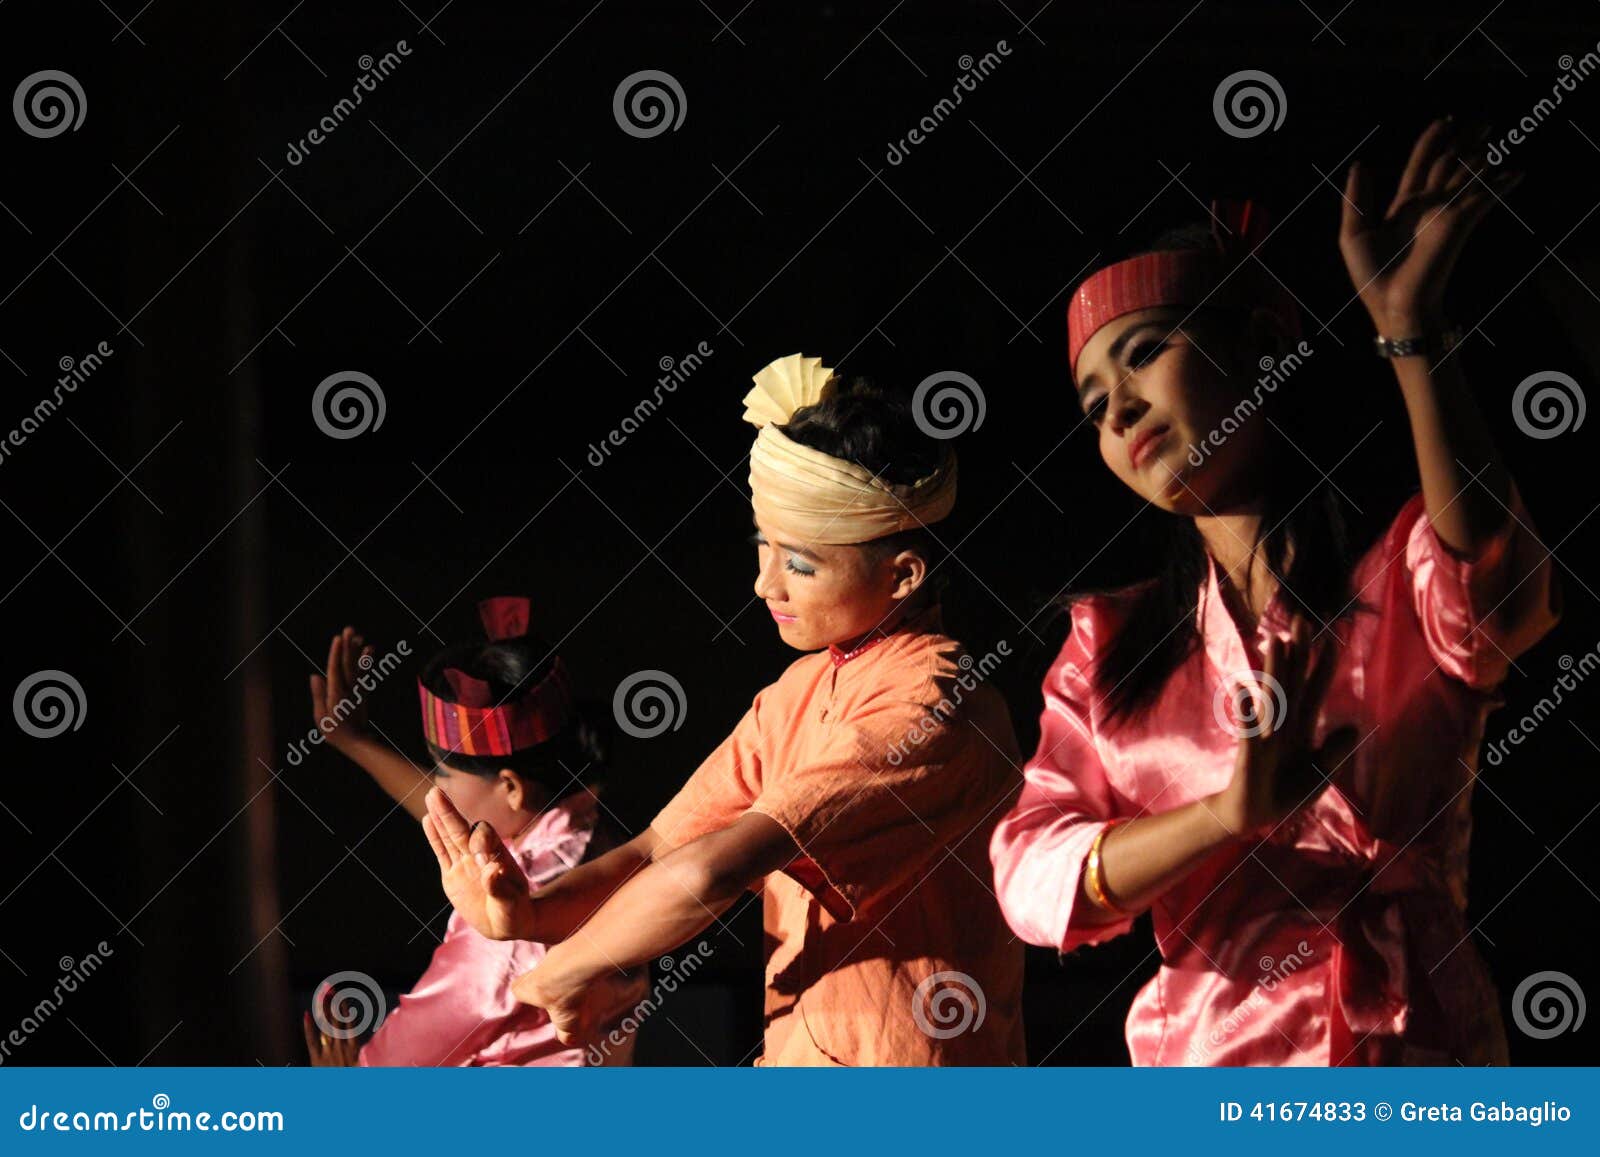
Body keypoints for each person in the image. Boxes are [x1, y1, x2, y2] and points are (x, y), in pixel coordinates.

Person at [991, 119, 1561, 1065]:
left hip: (1419, 1048)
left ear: (1262, 339)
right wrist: (1224, 815)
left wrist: (1409, 330)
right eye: (1094, 404)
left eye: (1142, 353)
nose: (1119, 407)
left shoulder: (1399, 571)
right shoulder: (1111, 639)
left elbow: (1496, 588)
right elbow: (1029, 871)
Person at [424, 353, 1027, 1065]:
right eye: (763, 546)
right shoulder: (797, 692)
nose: (764, 582)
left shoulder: (935, 703)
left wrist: (561, 968)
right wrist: (527, 913)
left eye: (800, 563)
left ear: (903, 575)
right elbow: (659, 849)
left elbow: (714, 870)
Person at [301, 598, 631, 1066]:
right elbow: (456, 812)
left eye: (443, 773)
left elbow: (408, 1058)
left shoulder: (512, 909)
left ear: (512, 787)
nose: (433, 787)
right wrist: (356, 743)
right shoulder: (585, 828)